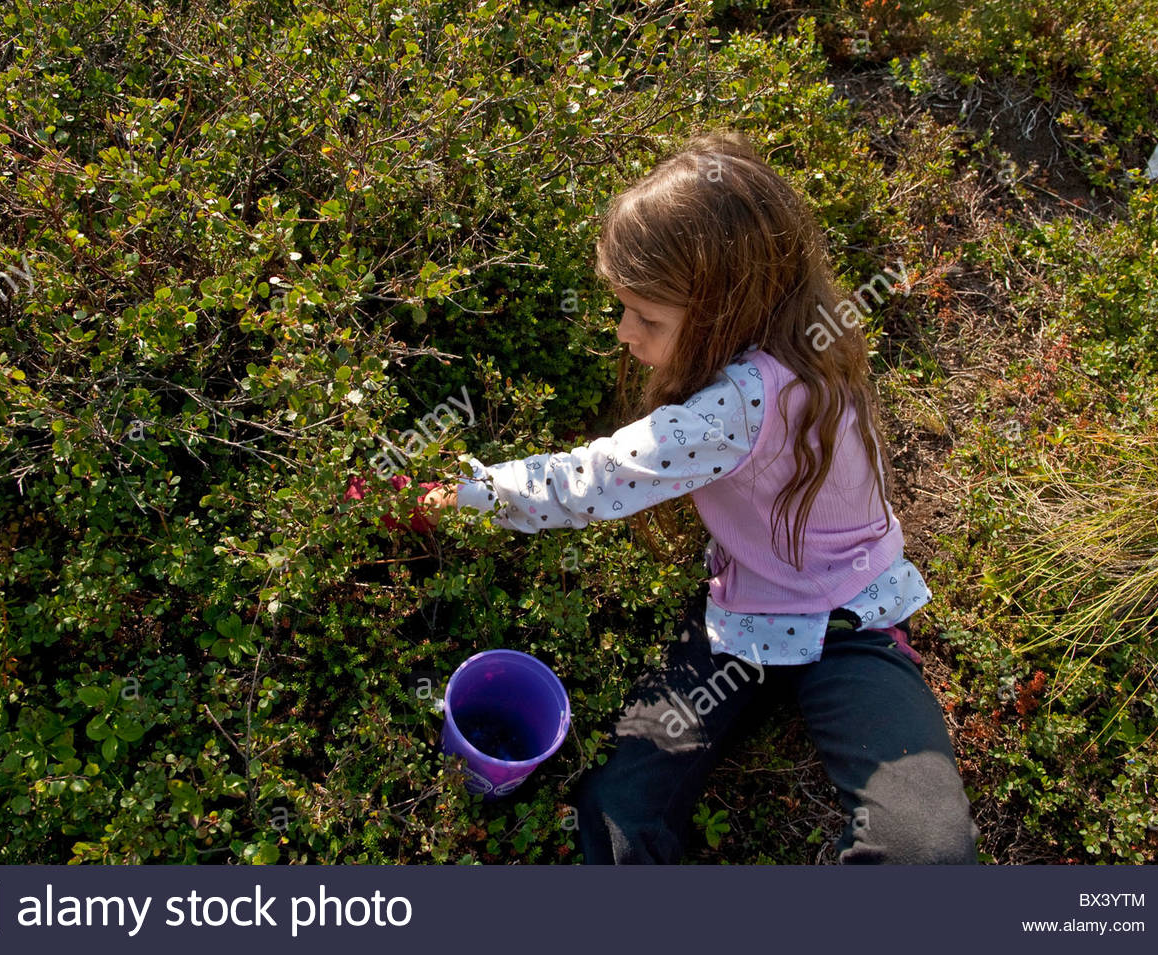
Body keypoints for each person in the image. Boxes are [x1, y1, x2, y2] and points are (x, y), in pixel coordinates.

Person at [419, 130, 979, 864]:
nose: (624, 333)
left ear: (726, 309)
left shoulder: (734, 409)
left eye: (646, 318)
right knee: (620, 809)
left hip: (850, 623)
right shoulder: (808, 328)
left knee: (924, 847)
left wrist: (465, 494)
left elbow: (592, 480)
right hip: (744, 620)